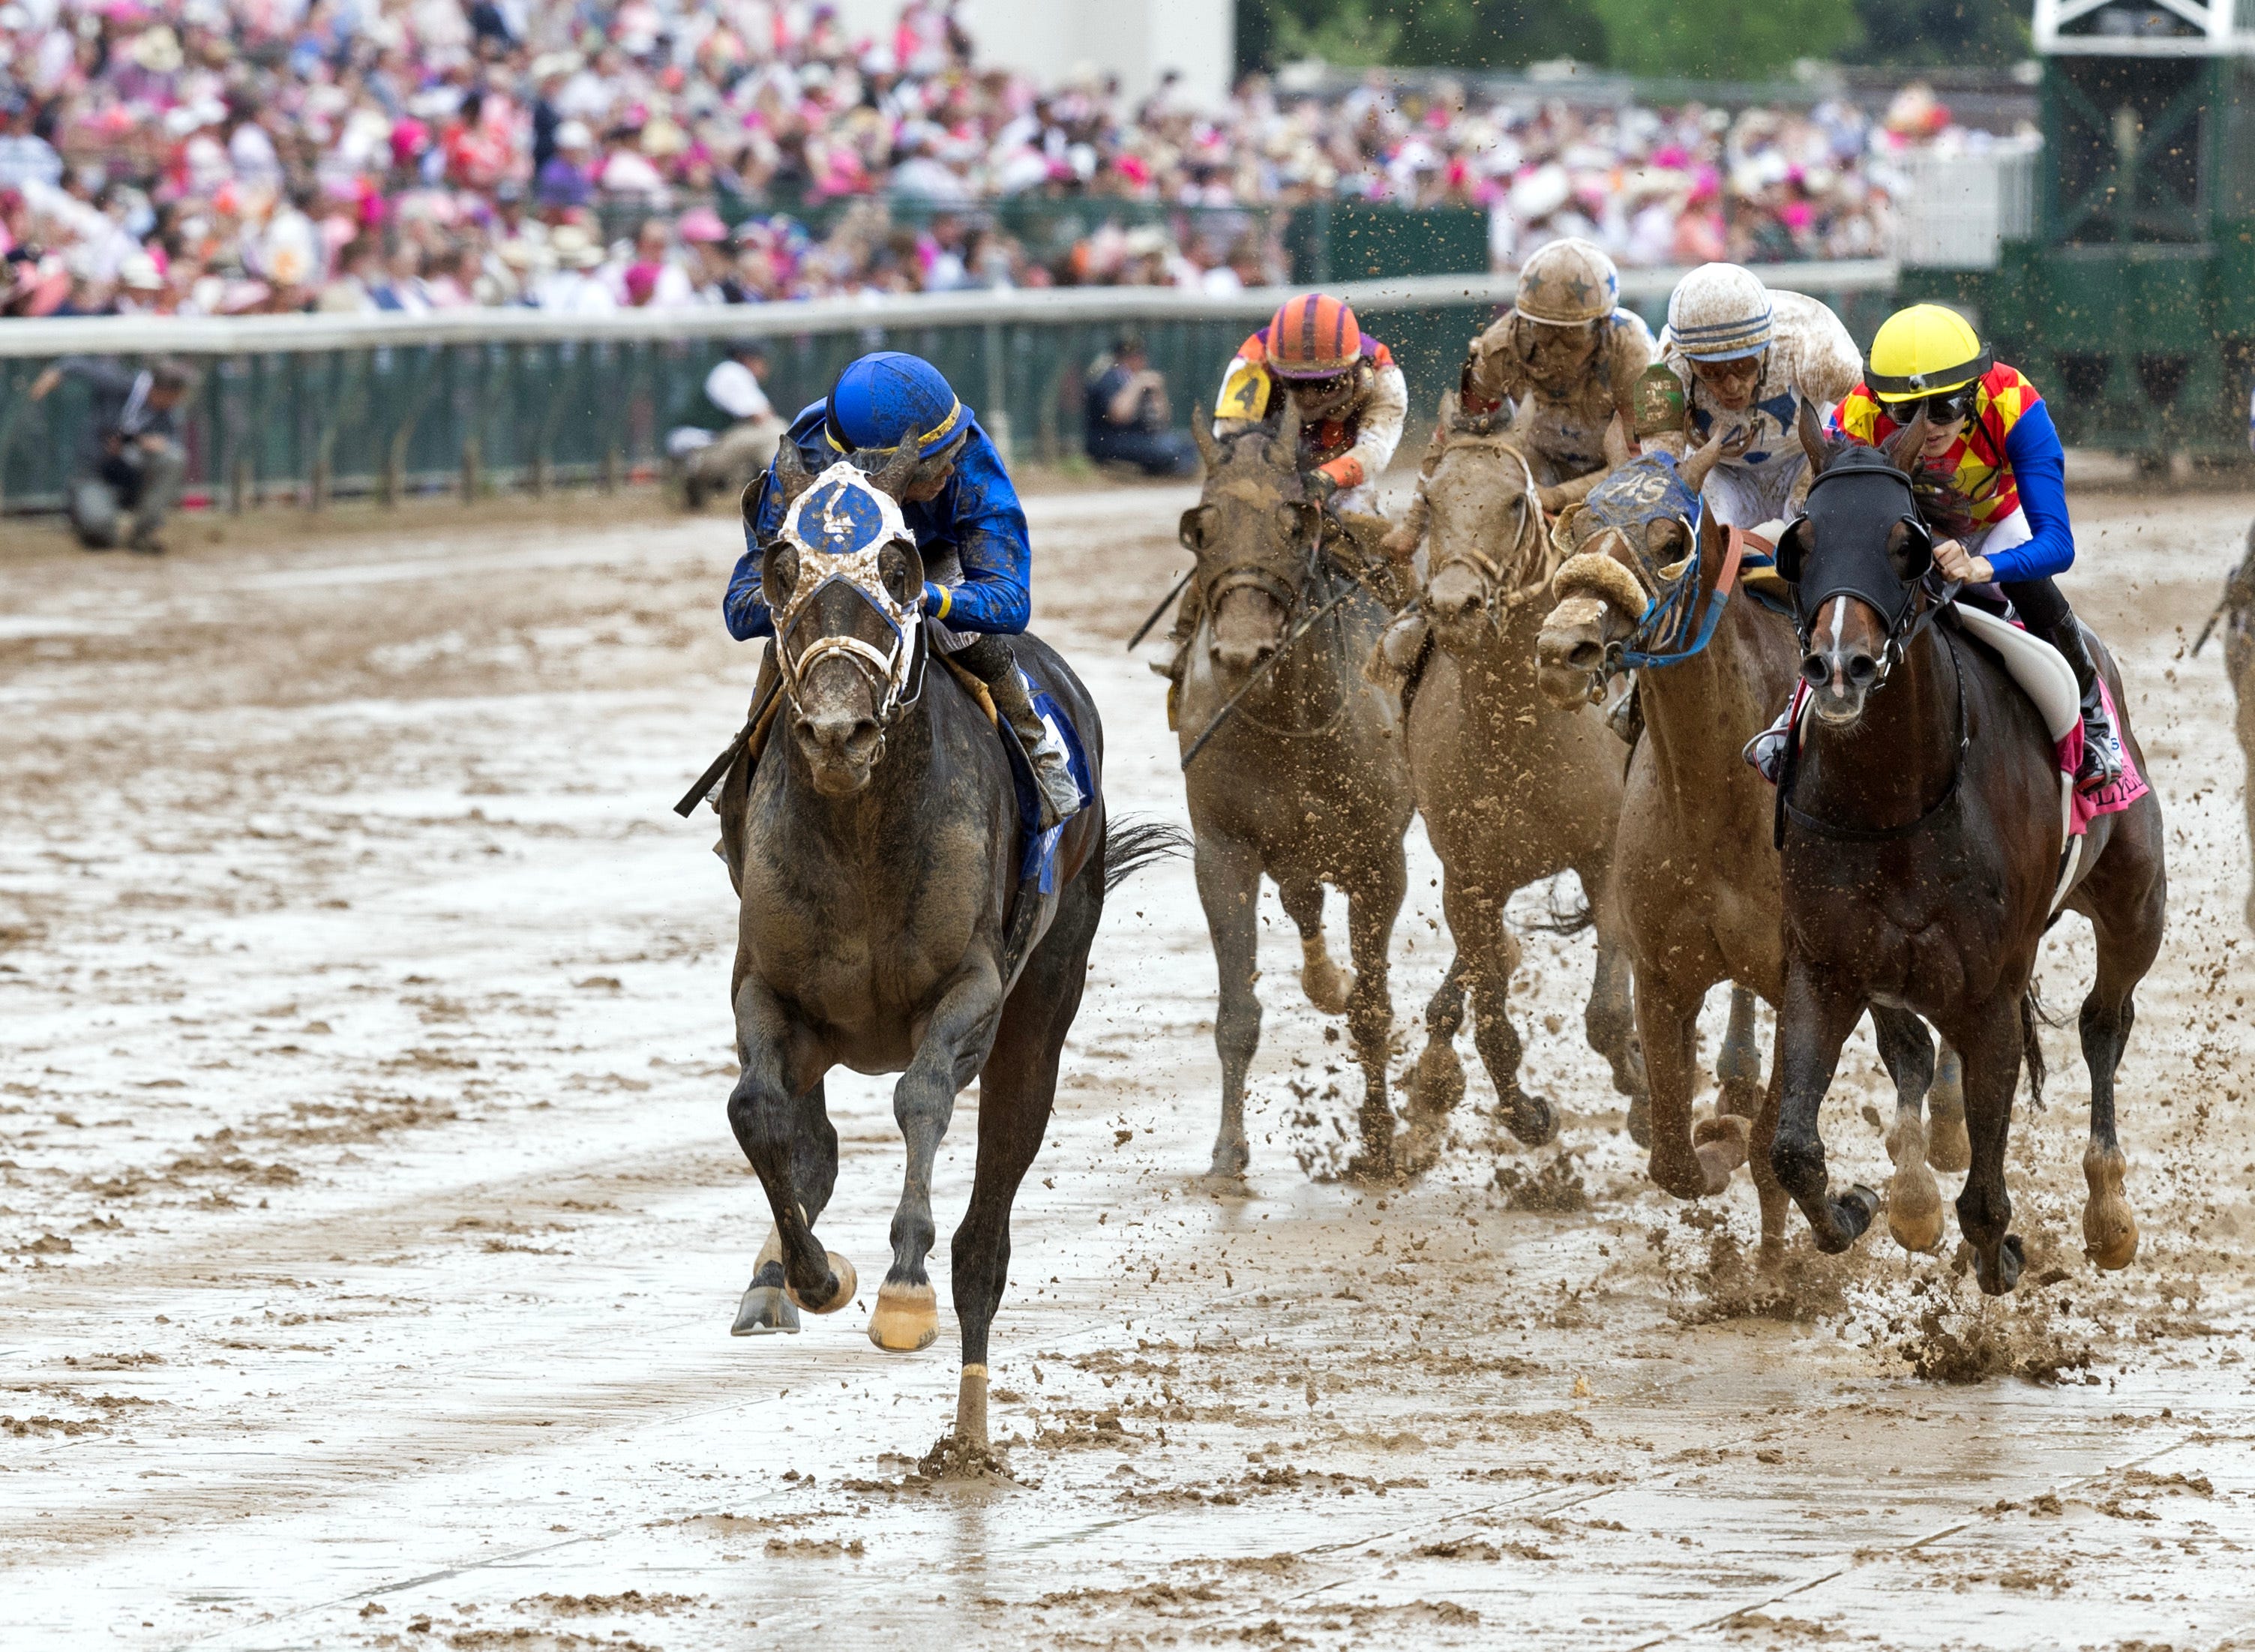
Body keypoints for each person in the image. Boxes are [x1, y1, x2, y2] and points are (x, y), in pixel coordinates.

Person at [726, 351, 1083, 829]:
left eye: (950, 454)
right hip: (833, 567)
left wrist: (925, 597)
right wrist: (798, 594)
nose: (949, 471)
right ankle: (741, 766)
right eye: (930, 467)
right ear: (883, 472)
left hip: (933, 559)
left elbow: (1011, 601)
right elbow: (741, 608)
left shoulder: (970, 459)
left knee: (963, 635)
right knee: (792, 635)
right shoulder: (803, 458)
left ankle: (1035, 746)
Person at [1831, 304, 2122, 791]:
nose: (1927, 428)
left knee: (2027, 579)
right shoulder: (1854, 416)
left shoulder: (2013, 402)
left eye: (1945, 408)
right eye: (1906, 413)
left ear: (1974, 391)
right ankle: (1789, 717)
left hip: (1996, 525)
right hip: (1910, 525)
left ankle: (2094, 723)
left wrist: (1983, 565)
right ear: (1880, 404)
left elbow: (2057, 543)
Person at [1161, 293, 1406, 680]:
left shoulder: (1384, 374)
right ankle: (1185, 631)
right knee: (1231, 530)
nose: (1309, 397)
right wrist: (1274, 488)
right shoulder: (1251, 361)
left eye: (1324, 385)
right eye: (1295, 384)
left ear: (1353, 369)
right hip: (1267, 471)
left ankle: (1411, 626)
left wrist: (1327, 479)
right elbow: (1230, 444)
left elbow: (1376, 449)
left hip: (1344, 472)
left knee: (1383, 542)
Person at [1382, 235, 1654, 563]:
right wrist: (1413, 527)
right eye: (1544, 331)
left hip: (1614, 471)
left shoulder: (1631, 351)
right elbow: (1452, 438)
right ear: (1525, 322)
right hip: (1540, 462)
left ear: (1602, 326)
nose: (1555, 349)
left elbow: (1638, 462)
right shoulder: (1499, 348)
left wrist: (1557, 497)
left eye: (1570, 334)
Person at [1657, 262, 1864, 536]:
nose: (1731, 385)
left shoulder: (1810, 346)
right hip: (1725, 471)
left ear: (1767, 349)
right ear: (1687, 360)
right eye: (1711, 371)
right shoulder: (1665, 367)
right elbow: (1661, 471)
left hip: (1807, 457)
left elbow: (1866, 407)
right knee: (1694, 531)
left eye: (1743, 365)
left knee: (1812, 526)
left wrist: (1818, 469)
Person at [26, 355, 195, 554]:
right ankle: (86, 513)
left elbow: (172, 449)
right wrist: (56, 372)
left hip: (132, 478)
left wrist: (144, 443)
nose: (178, 401)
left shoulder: (166, 415)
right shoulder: (122, 384)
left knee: (173, 457)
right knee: (99, 531)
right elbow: (79, 363)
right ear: (162, 391)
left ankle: (142, 533)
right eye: (176, 395)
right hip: (95, 475)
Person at [669, 340, 787, 511]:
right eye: (761, 359)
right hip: (698, 453)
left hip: (701, 448)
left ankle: (775, 488)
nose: (765, 365)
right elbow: (763, 416)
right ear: (746, 359)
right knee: (773, 430)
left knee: (767, 433)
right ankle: (789, 486)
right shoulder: (732, 372)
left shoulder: (726, 370)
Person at [1082, 331, 1197, 477]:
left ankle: (1170, 470)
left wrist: (1159, 392)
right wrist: (1136, 385)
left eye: (1139, 356)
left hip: (1138, 437)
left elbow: (1162, 420)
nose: (1138, 361)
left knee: (1187, 443)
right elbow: (1119, 416)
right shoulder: (1109, 378)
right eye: (1130, 357)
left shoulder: (1139, 378)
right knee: (1166, 449)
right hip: (1109, 440)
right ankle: (1162, 471)